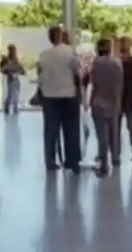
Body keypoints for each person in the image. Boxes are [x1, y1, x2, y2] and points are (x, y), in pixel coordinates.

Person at [37, 25, 82, 172]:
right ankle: (72, 160)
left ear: (50, 38)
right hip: (69, 95)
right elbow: (77, 72)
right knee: (71, 129)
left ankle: (50, 161)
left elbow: (41, 77)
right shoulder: (70, 52)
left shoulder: (44, 55)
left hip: (49, 96)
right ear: (62, 36)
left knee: (50, 130)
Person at [88, 37, 125, 177]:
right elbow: (120, 84)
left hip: (98, 102)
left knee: (102, 135)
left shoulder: (96, 64)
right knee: (114, 132)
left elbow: (93, 81)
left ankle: (104, 163)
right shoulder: (117, 63)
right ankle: (115, 158)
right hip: (114, 102)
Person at [0, 45, 25, 115]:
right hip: (9, 78)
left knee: (16, 93)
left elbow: (21, 69)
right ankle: (7, 108)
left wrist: (18, 69)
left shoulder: (16, 60)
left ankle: (15, 108)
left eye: (14, 50)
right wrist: (8, 68)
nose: (13, 52)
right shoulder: (6, 60)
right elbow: (2, 70)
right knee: (9, 94)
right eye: (12, 50)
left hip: (15, 78)